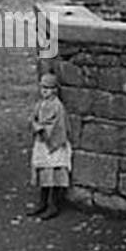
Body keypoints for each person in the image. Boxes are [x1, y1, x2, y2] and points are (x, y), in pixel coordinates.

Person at [29, 72, 72, 220]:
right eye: (43, 88)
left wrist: (44, 129)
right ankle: (42, 202)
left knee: (53, 174)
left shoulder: (57, 106)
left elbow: (59, 126)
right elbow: (34, 118)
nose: (44, 92)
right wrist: (35, 125)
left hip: (53, 145)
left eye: (48, 89)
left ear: (54, 90)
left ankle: (53, 205)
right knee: (43, 173)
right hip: (42, 143)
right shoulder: (40, 104)